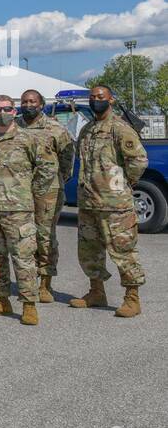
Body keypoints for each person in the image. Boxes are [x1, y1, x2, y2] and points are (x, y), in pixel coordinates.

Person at [0, 95, 50, 325]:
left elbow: (46, 170)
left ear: (14, 111)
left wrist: (27, 193)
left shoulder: (28, 139)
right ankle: (1, 301)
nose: (2, 113)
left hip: (18, 210)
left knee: (23, 258)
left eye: (7, 108)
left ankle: (28, 304)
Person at [70, 84, 147, 317]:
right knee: (89, 252)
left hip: (115, 206)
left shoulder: (120, 129)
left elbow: (138, 161)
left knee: (124, 252)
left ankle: (132, 298)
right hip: (89, 203)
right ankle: (96, 292)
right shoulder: (88, 130)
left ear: (111, 100)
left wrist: (124, 184)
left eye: (100, 97)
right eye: (92, 97)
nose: (96, 100)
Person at [17, 89, 75, 302]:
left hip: (48, 191)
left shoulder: (55, 129)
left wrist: (58, 179)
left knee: (45, 236)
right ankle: (27, 281)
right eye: (24, 101)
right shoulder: (14, 126)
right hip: (20, 191)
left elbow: (68, 157)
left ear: (41, 104)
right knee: (23, 236)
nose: (28, 105)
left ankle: (45, 283)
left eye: (32, 101)